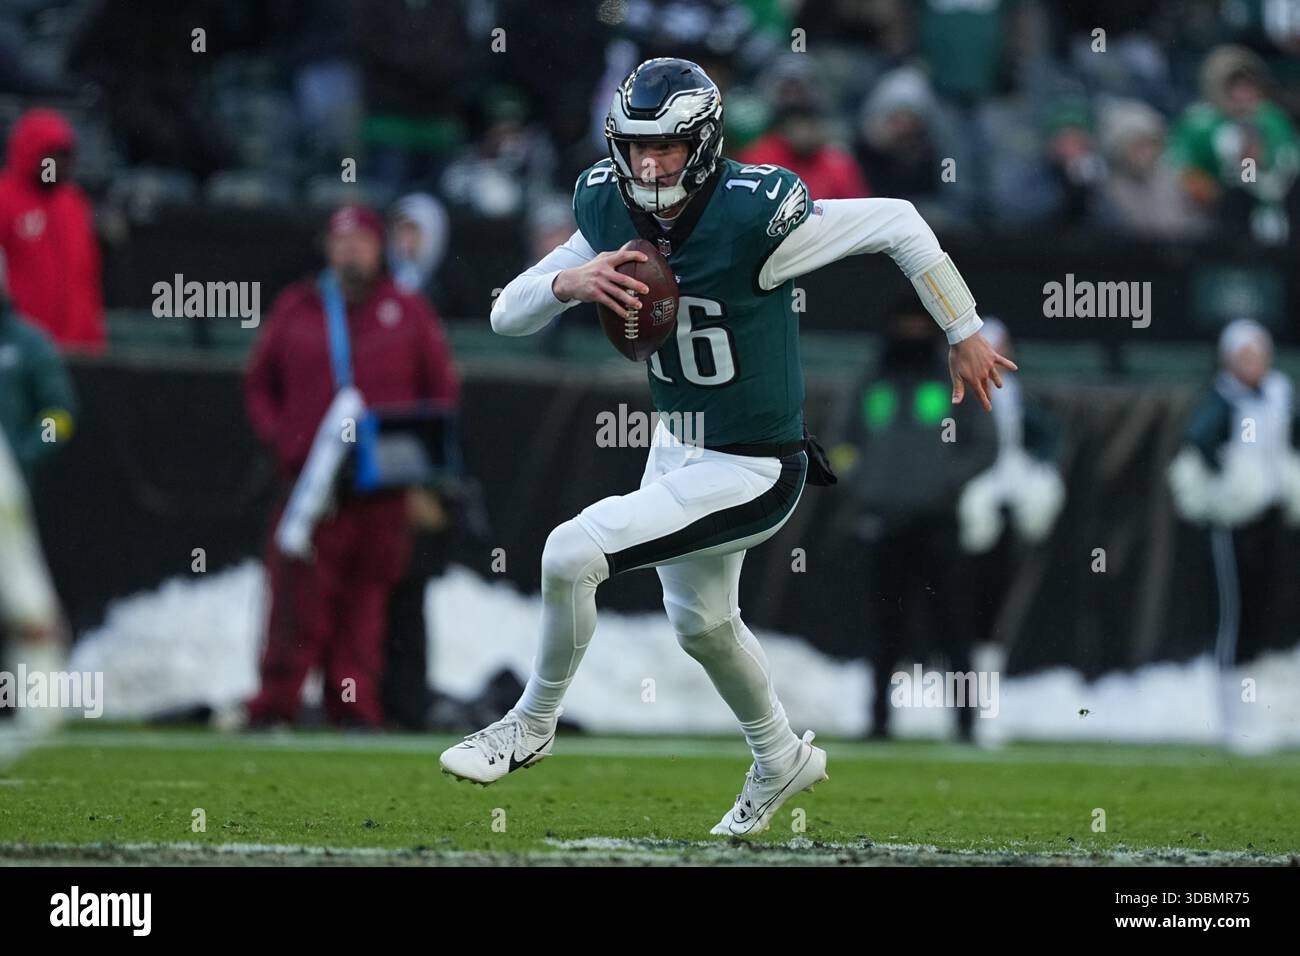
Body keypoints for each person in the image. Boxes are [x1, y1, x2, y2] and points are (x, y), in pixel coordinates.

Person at [439, 58, 1014, 836]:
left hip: (753, 463)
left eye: (667, 148)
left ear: (704, 143)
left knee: (571, 552)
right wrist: (568, 284)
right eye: (636, 147)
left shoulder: (756, 215)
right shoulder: (606, 205)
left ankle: (530, 724)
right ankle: (780, 756)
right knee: (702, 625)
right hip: (679, 444)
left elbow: (900, 223)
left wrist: (964, 328)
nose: (648, 165)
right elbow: (508, 313)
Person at [240, 205, 459, 729]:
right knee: (297, 598)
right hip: (312, 487)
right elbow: (259, 386)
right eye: (341, 242)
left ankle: (354, 707)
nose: (351, 252)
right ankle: (277, 703)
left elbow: (441, 392)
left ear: (378, 248)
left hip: (380, 490)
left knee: (367, 605)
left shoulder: (407, 311)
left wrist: (421, 475)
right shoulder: (297, 307)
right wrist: (284, 442)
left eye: (361, 241)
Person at [829, 302, 998, 741]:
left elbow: (984, 444)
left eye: (919, 326)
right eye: (902, 325)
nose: (910, 334)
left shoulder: (952, 382)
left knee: (952, 628)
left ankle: (966, 724)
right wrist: (863, 483)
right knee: (883, 628)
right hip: (882, 521)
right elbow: (840, 444)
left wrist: (944, 484)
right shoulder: (871, 382)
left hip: (937, 521)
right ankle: (879, 720)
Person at [1167, 319, 1300, 740]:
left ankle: (1258, 712)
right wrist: (1228, 480)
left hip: (1272, 519)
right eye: (1244, 356)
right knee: (1236, 617)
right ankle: (1234, 719)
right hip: (1235, 522)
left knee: (1264, 615)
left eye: (1258, 355)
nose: (1253, 364)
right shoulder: (1223, 399)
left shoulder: (1280, 394)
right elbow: (1198, 440)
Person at [0, 109, 104, 352]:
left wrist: (93, 338)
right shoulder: (4, 199)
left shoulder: (73, 204)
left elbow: (86, 279)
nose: (60, 164)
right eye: (52, 155)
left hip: (76, 349)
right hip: (20, 352)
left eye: (65, 156)